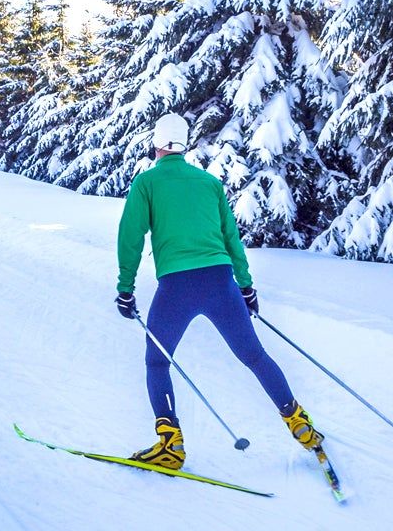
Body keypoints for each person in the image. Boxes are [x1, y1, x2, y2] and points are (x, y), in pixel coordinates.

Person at [115, 112, 324, 469]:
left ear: (157, 143)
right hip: (220, 282)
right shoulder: (209, 183)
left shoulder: (146, 183)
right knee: (255, 356)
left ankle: (170, 444)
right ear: (184, 143)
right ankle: (300, 424)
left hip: (176, 286)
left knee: (157, 360)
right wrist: (246, 287)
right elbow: (232, 240)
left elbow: (130, 237)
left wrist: (125, 287)